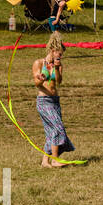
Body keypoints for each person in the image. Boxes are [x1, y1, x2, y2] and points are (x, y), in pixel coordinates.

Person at [34, 32, 76, 168]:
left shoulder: (59, 64)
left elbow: (59, 81)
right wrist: (41, 79)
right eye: (59, 53)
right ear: (53, 51)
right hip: (43, 101)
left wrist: (57, 68)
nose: (61, 56)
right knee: (57, 128)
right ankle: (55, 159)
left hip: (54, 101)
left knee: (51, 131)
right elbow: (36, 83)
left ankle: (45, 161)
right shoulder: (39, 63)